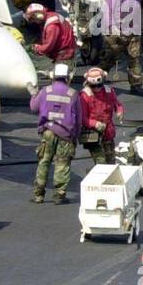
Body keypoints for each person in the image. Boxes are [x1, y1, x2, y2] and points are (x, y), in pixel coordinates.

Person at [29, 62, 83, 203]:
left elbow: (34, 107)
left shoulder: (45, 91)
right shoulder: (73, 94)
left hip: (47, 132)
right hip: (65, 135)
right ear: (67, 77)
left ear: (53, 76)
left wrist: (34, 94)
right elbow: (78, 118)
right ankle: (59, 195)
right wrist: (76, 136)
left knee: (44, 162)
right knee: (62, 164)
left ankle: (38, 195)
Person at [101, 0, 143, 94]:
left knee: (134, 59)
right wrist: (111, 27)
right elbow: (108, 10)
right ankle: (95, 81)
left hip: (132, 32)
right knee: (108, 58)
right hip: (116, 32)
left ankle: (136, 86)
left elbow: (137, 10)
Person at [79, 67, 123, 164]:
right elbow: (82, 118)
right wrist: (94, 124)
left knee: (111, 160)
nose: (97, 88)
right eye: (93, 86)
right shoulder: (84, 95)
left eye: (99, 85)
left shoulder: (109, 91)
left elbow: (117, 104)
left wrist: (119, 111)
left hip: (108, 131)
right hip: (93, 134)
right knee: (101, 162)